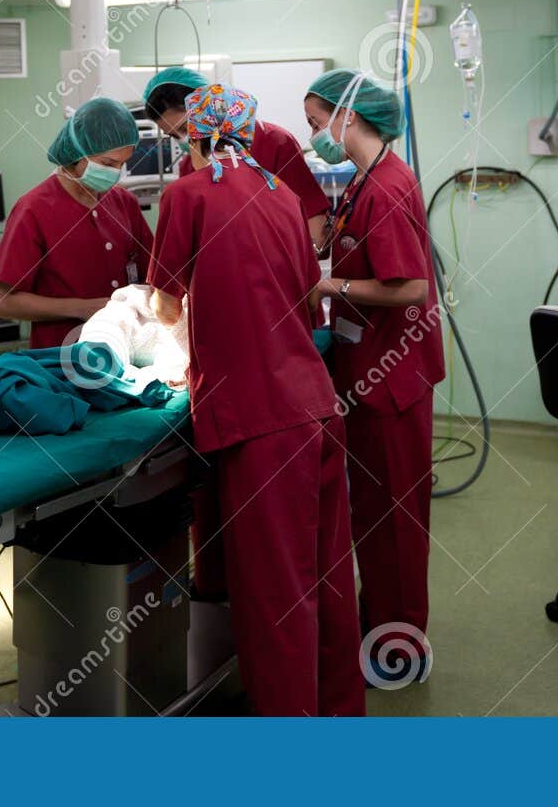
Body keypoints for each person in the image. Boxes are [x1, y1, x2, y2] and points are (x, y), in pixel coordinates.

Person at [148, 83, 365, 717]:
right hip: (316, 408)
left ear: (196, 136)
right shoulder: (282, 197)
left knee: (276, 593)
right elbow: (303, 299)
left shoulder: (186, 194)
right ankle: (338, 715)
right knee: (326, 581)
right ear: (247, 133)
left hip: (262, 421)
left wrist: (173, 328)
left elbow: (165, 302)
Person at [304, 68, 445, 684]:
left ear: (349, 118)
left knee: (393, 523)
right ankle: (379, 625)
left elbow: (412, 284)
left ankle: (400, 650)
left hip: (393, 379)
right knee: (374, 516)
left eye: (318, 124)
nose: (316, 138)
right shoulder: (366, 181)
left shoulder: (387, 186)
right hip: (369, 372)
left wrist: (327, 286)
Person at [0, 97, 153, 348]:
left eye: (122, 164)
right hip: (62, 353)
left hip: (125, 347)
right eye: (108, 164)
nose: (115, 172)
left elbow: (153, 273)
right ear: (76, 153)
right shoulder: (34, 209)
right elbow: (5, 302)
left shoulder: (124, 202)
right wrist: (81, 308)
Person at [143, 66, 330, 243]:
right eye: (175, 135)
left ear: (208, 107)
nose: (185, 139)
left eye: (186, 128)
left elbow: (313, 216)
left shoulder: (274, 142)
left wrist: (303, 261)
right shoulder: (189, 166)